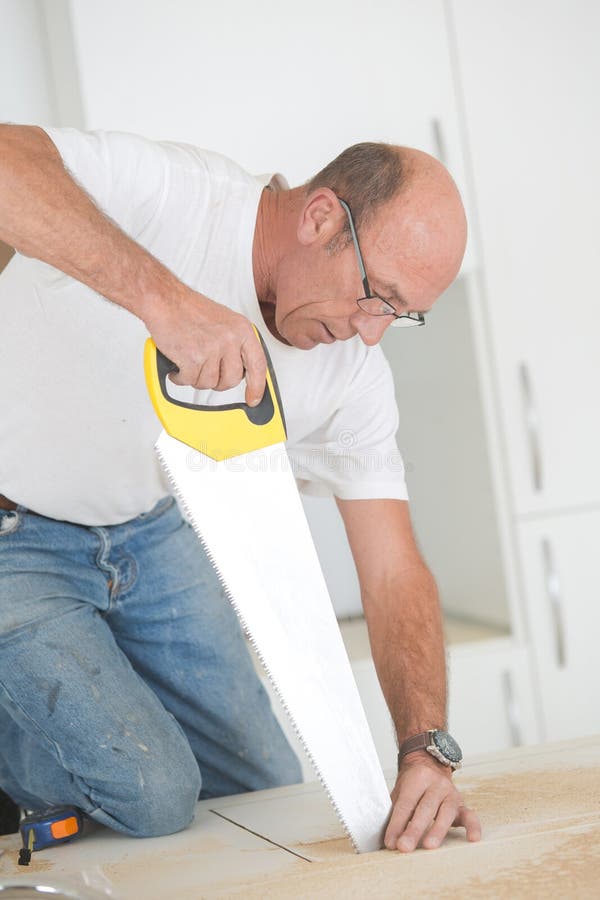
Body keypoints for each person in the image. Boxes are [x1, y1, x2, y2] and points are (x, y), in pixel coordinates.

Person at [0, 124, 481, 853]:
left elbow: (393, 569)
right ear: (321, 218)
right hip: (11, 529)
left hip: (149, 531)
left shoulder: (353, 373)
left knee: (266, 789)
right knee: (155, 794)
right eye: (375, 295)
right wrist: (164, 301)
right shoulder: (181, 195)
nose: (372, 334)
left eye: (400, 313)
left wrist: (425, 749)